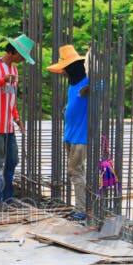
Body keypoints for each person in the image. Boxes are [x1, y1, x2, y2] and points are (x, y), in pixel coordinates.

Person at [0, 34, 36, 208]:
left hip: (8, 124)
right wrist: (1, 81)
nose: (23, 60)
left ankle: (8, 197)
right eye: (22, 56)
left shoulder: (14, 71)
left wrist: (17, 118)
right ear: (14, 52)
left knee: (12, 160)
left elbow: (11, 99)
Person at [48, 45, 89, 220]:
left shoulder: (88, 82)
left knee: (76, 171)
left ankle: (82, 209)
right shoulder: (73, 85)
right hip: (70, 134)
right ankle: (80, 206)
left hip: (81, 136)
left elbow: (101, 87)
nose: (63, 73)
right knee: (75, 172)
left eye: (65, 69)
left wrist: (92, 89)